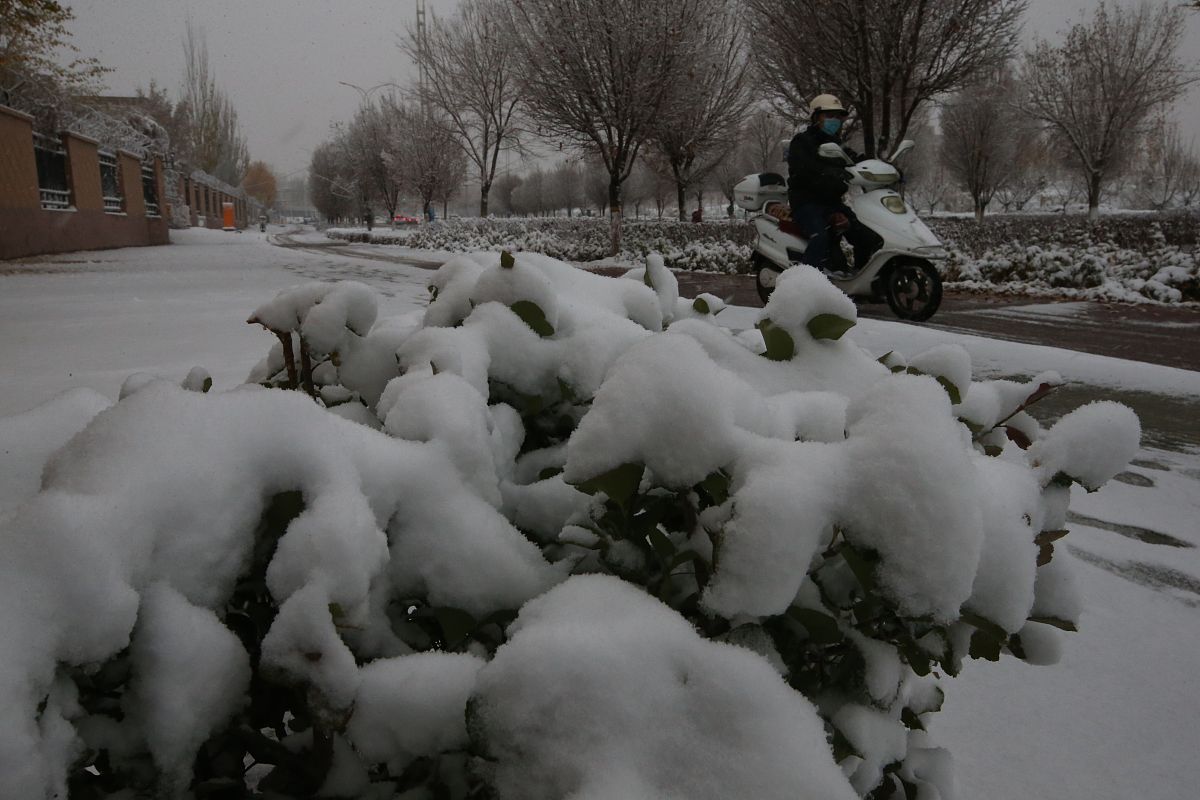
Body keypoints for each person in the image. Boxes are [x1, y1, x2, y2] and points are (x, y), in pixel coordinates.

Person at [786, 94, 882, 279]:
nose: (835, 121)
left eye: (838, 117)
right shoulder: (802, 142)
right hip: (806, 203)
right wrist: (828, 171)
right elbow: (802, 168)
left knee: (867, 236)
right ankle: (805, 282)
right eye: (829, 116)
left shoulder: (837, 145)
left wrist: (883, 167)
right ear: (815, 117)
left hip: (832, 203)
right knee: (820, 237)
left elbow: (856, 160)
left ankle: (862, 280)